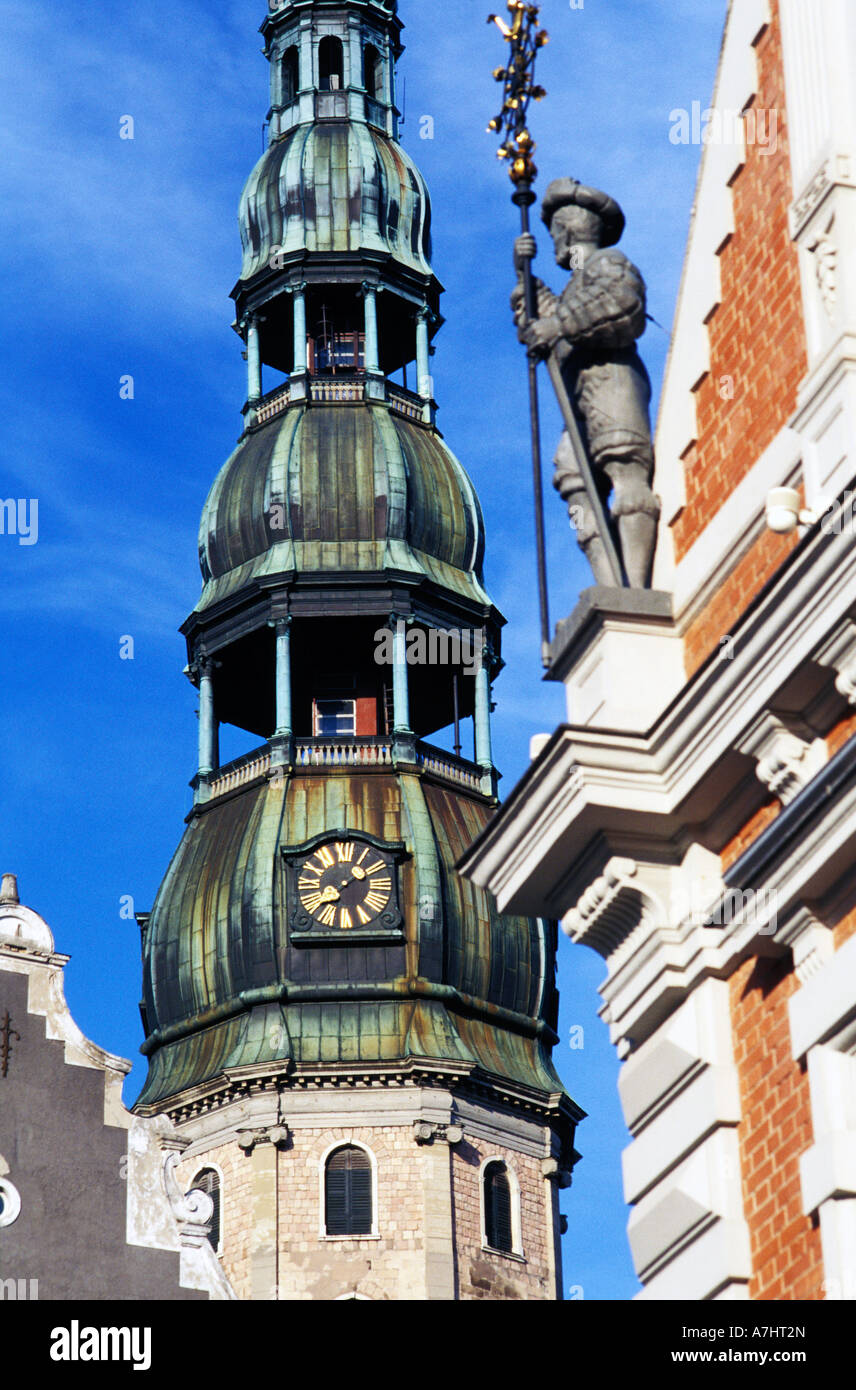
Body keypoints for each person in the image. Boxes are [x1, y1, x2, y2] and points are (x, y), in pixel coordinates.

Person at [512, 179, 660, 588]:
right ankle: (612, 588)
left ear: (571, 230)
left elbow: (623, 307)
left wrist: (557, 324)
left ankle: (636, 586)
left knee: (625, 472)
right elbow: (552, 332)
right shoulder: (575, 286)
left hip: (613, 381)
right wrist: (526, 281)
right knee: (574, 480)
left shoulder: (609, 263)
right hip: (580, 399)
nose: (554, 240)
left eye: (556, 231)